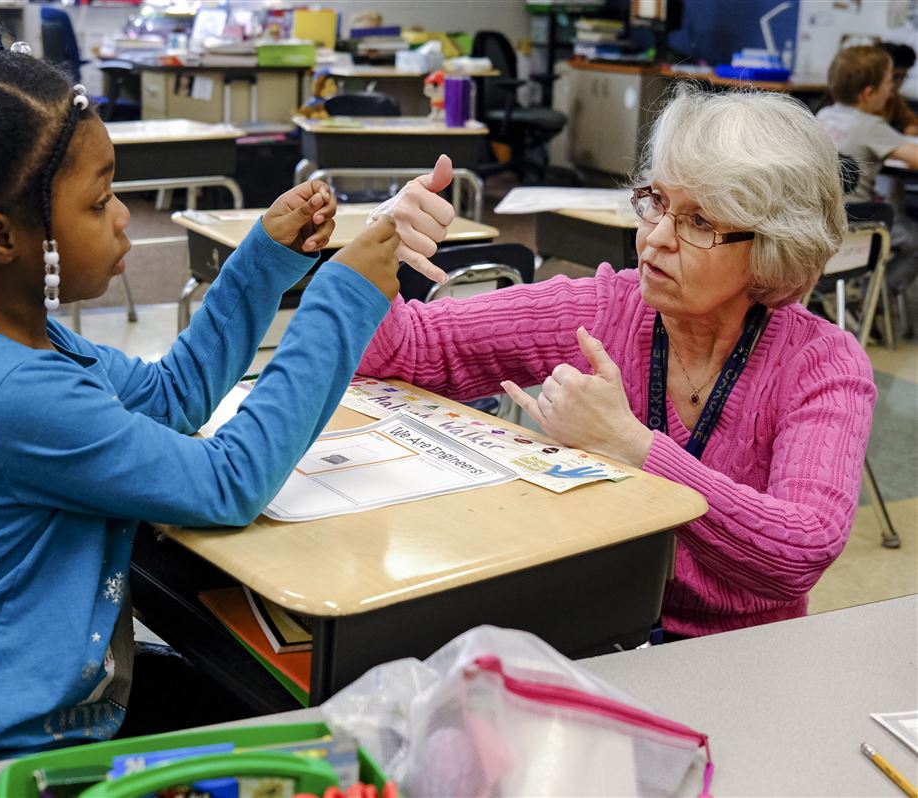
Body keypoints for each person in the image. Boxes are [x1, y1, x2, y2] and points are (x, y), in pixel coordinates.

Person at [0, 21, 454, 779]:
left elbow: (171, 394)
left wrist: (265, 260)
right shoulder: (14, 391)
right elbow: (228, 484)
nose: (123, 216)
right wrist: (341, 299)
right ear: (0, 239)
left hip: (30, 709)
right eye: (99, 203)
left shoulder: (18, 340)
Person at [357, 86, 877, 639]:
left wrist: (631, 445)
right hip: (593, 623)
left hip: (737, 650)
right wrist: (376, 244)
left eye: (699, 222)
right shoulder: (607, 308)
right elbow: (400, 351)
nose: (654, 238)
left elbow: (800, 551)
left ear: (773, 248)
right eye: (655, 201)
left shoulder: (821, 363)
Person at [816, 45, 918, 304]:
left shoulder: (823, 115)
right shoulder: (870, 125)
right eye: (888, 82)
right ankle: (870, 300)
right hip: (854, 227)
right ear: (868, 93)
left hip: (818, 221)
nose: (892, 89)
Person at [877, 41, 918, 135]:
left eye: (903, 77)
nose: (900, 83)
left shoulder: (893, 99)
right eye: (895, 76)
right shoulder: (858, 100)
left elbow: (911, 121)